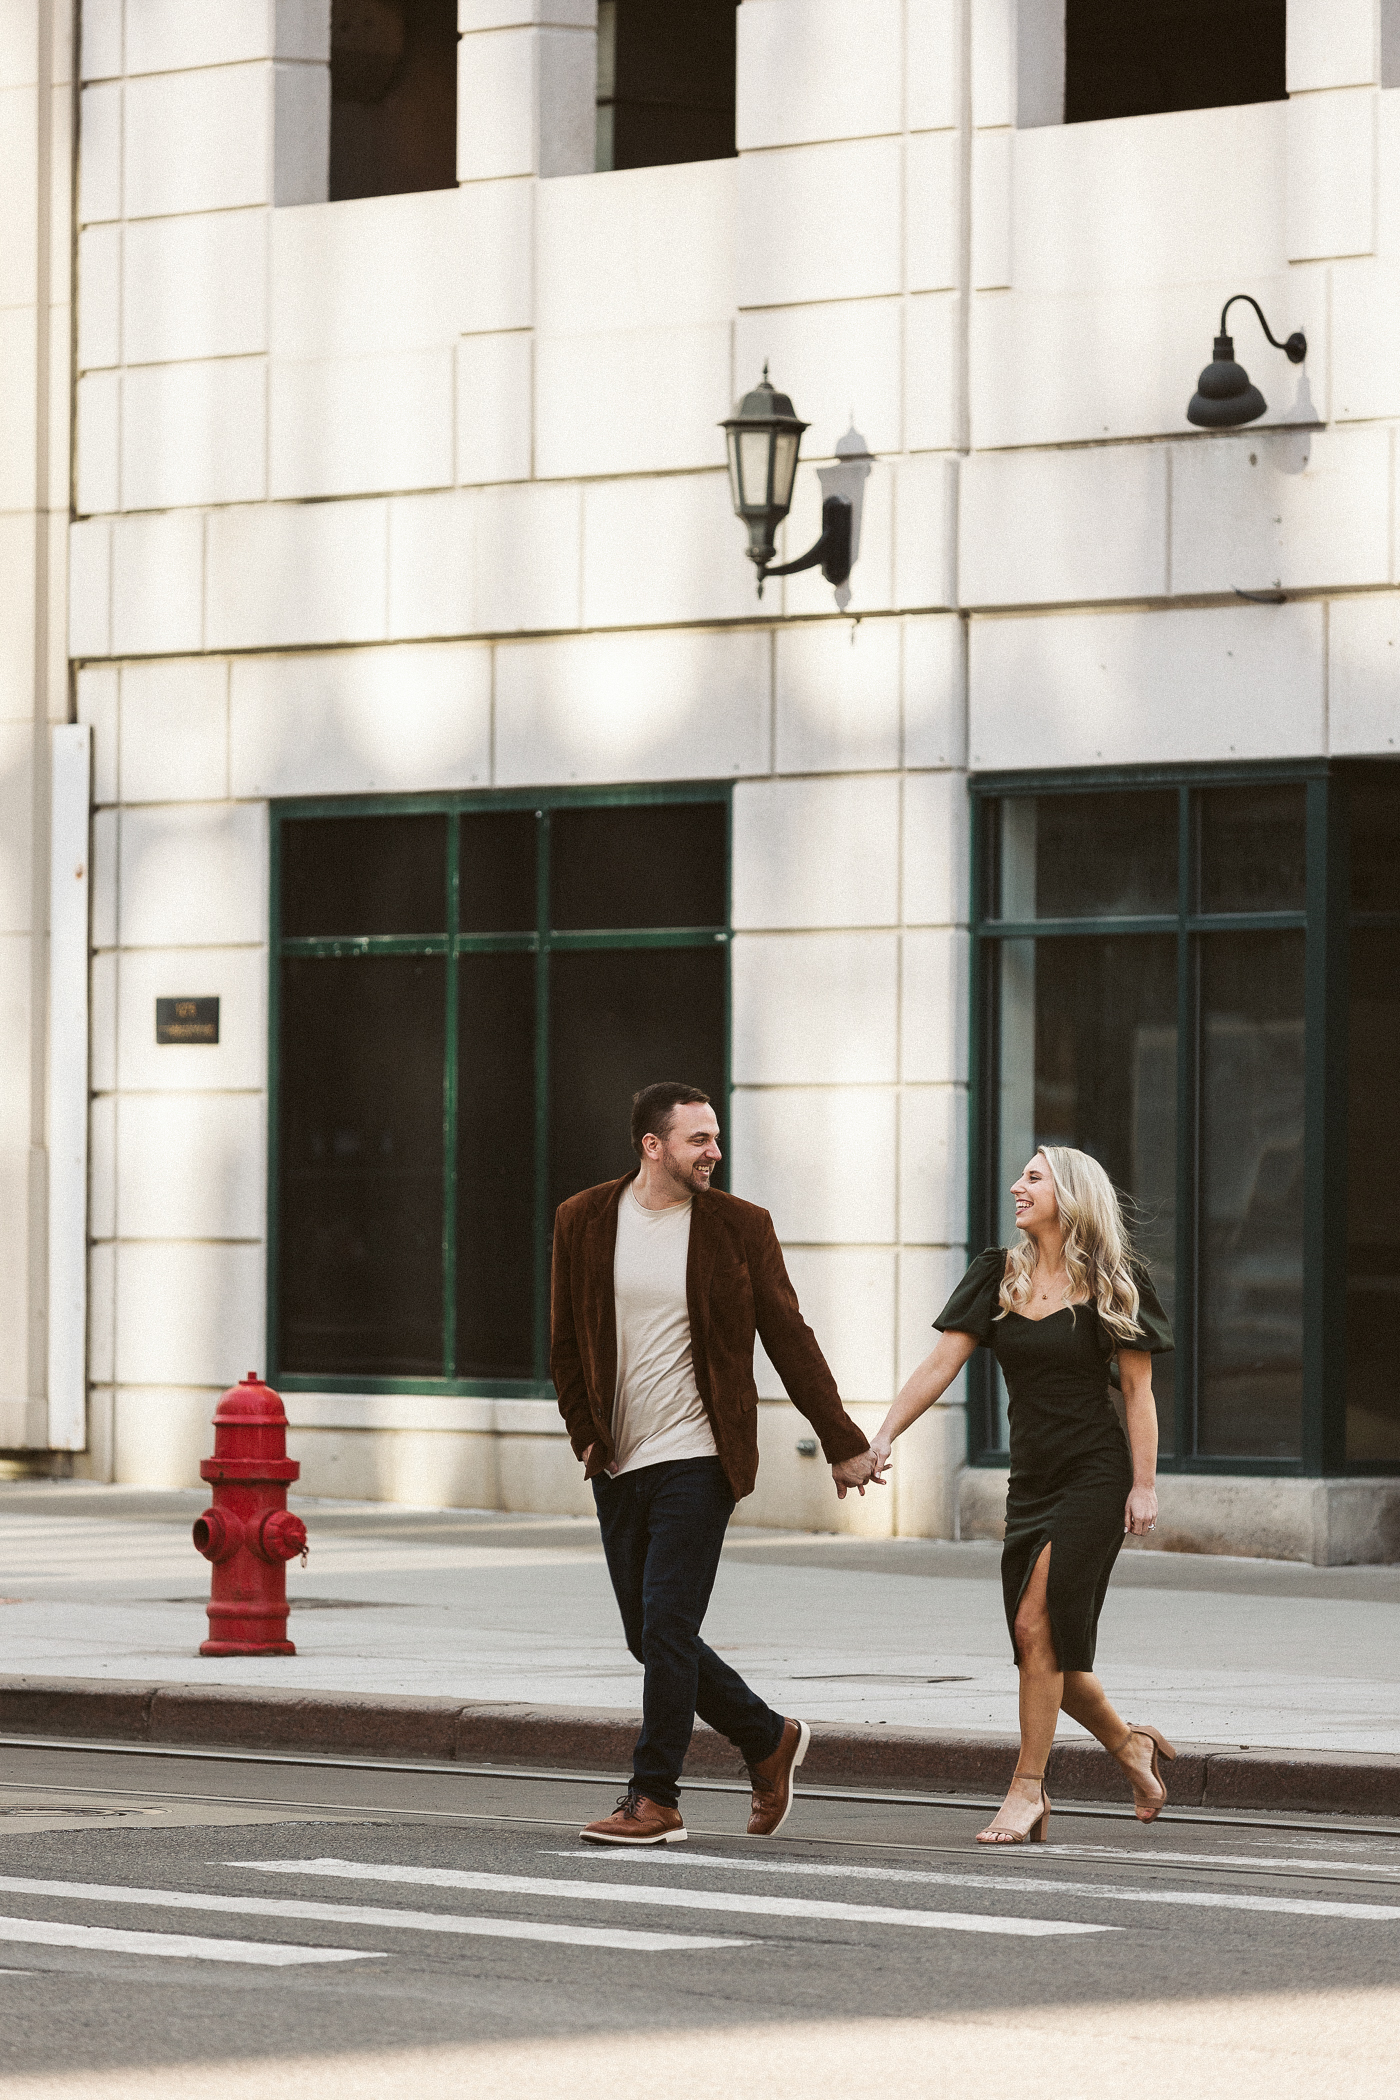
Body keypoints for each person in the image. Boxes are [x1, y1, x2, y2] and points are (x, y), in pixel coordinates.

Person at [551, 1080, 880, 1846]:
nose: (714, 1152)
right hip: (619, 1459)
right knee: (649, 1634)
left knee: (668, 1622)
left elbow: (789, 1336)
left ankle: (654, 1797)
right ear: (652, 1145)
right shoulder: (585, 1219)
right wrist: (586, 1437)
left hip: (701, 1455)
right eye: (699, 1139)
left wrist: (843, 1441)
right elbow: (566, 1343)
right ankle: (767, 1737)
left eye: (716, 1137)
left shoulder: (739, 1227)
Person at [868, 1145, 1175, 1844]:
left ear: (1069, 1194)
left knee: (1039, 1629)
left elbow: (1137, 1393)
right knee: (1043, 1644)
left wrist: (1146, 1485)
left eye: (1033, 1178)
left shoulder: (1115, 1283)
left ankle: (1027, 1790)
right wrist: (884, 1434)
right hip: (1030, 1479)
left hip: (1096, 1476)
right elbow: (939, 1364)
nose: (1017, 1187)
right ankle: (1132, 1748)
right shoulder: (996, 1277)